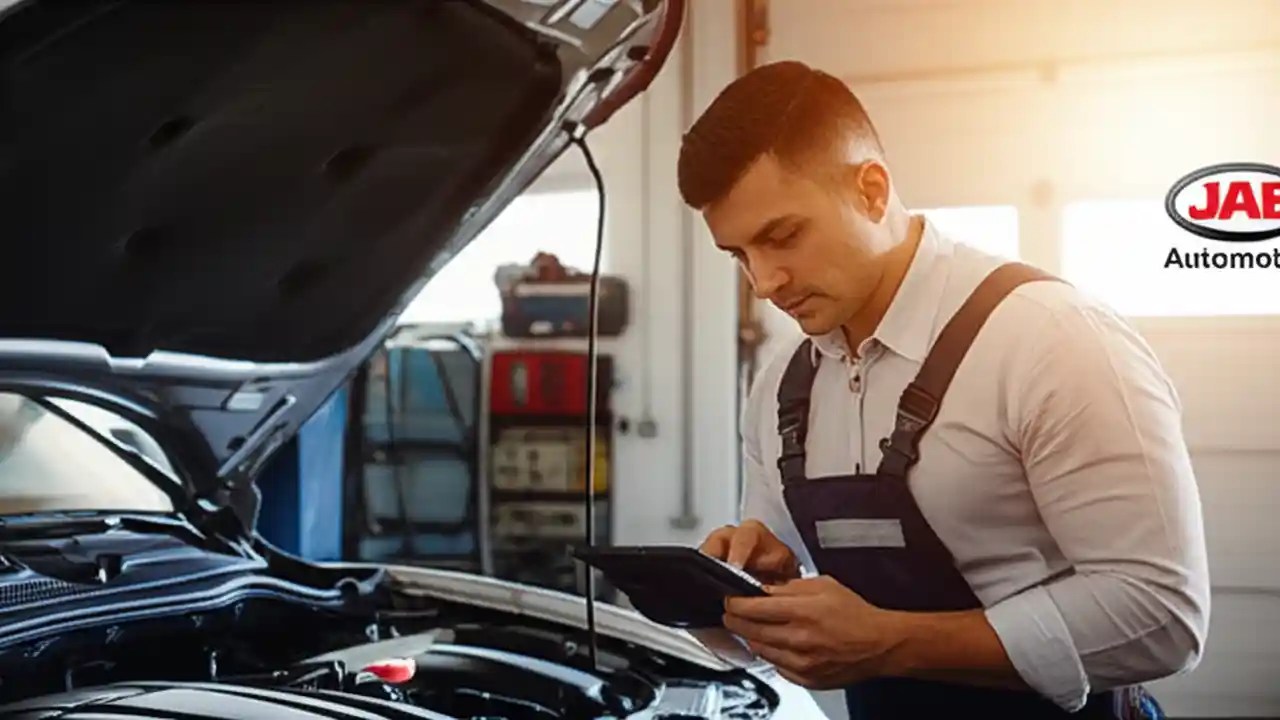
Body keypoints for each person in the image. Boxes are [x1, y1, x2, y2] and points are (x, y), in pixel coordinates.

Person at [678, 60, 1209, 719]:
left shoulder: (1052, 339)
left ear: (872, 191)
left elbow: (1163, 614)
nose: (764, 282)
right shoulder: (781, 387)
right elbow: (787, 629)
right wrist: (757, 596)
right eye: (738, 254)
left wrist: (892, 644)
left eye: (782, 236)